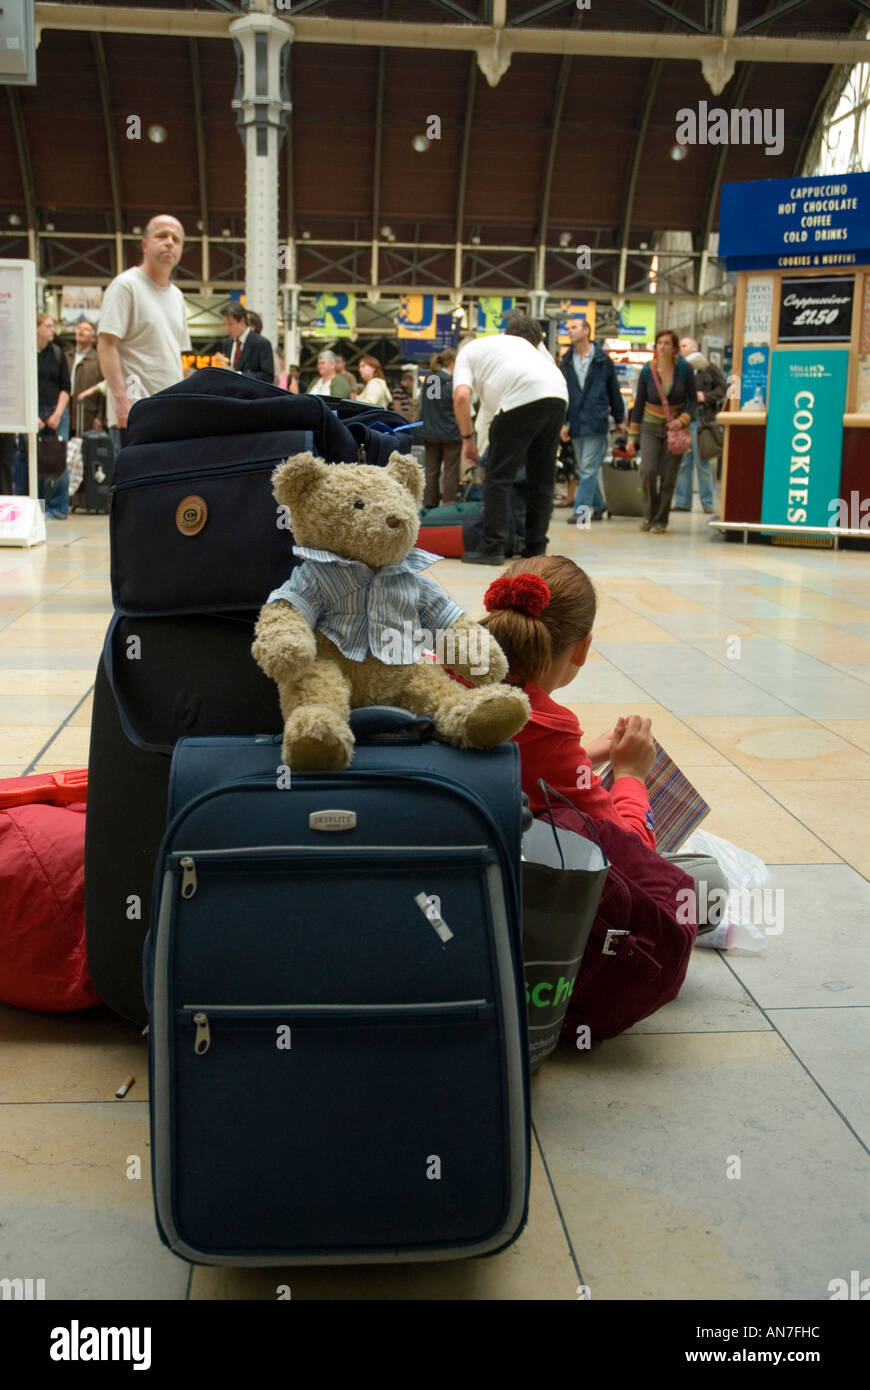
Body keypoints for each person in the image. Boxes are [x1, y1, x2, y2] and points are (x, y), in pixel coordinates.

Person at [479, 555, 728, 913]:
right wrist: (630, 775)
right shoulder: (548, 730)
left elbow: (525, 764)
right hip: (512, 901)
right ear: (582, 647)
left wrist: (585, 756)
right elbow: (632, 854)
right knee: (707, 885)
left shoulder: (446, 680)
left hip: (447, 877)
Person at [453, 314, 567, 565]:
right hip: (558, 395)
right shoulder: (538, 350)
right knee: (542, 481)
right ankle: (535, 547)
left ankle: (492, 547)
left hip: (518, 398)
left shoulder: (469, 350)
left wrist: (467, 439)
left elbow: (462, 396)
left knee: (498, 477)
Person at [97, 214, 191, 447]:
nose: (170, 242)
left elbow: (179, 357)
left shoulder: (177, 296)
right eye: (162, 236)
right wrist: (121, 401)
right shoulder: (126, 286)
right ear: (145, 245)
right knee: (133, 483)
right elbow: (106, 344)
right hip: (135, 414)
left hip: (170, 415)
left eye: (176, 239)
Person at [627, 329, 697, 534]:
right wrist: (632, 436)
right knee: (647, 470)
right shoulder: (648, 371)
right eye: (659, 343)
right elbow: (639, 403)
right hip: (650, 425)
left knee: (668, 475)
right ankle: (648, 514)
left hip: (674, 428)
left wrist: (682, 420)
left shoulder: (685, 369)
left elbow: (692, 401)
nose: (662, 347)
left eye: (667, 343)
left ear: (675, 348)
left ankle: (660, 519)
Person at [559, 316, 624, 522]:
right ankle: (598, 504)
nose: (570, 331)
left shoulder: (602, 361)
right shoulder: (567, 362)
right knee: (586, 468)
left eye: (574, 327)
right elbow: (564, 393)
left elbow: (614, 390)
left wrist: (619, 418)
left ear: (587, 331)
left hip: (596, 420)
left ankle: (581, 512)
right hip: (576, 422)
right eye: (569, 328)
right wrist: (563, 421)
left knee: (587, 469)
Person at [673, 337, 726, 515]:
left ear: (695, 348)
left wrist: (706, 396)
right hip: (684, 421)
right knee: (683, 464)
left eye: (684, 345)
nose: (681, 348)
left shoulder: (708, 368)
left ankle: (707, 502)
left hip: (701, 422)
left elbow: (723, 387)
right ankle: (683, 501)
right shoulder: (679, 369)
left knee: (702, 462)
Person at [36, 312, 72, 519]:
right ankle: (37, 507)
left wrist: (58, 413)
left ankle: (59, 507)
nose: (52, 330)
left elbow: (66, 387)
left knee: (58, 461)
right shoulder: (29, 355)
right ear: (37, 328)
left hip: (57, 411)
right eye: (48, 326)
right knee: (35, 460)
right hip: (36, 414)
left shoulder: (58, 354)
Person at [420, 348, 462, 508]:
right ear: (452, 363)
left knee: (431, 472)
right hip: (450, 434)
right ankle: (448, 507)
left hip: (431, 433)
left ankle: (429, 507)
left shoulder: (432, 380)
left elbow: (431, 406)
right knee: (450, 473)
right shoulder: (452, 382)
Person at [213, 303, 275, 384]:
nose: (227, 328)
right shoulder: (227, 344)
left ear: (242, 321)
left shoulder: (261, 343)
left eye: (231, 324)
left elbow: (267, 377)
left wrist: (239, 375)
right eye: (225, 324)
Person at [65, 318, 104, 435]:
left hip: (87, 413)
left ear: (93, 338)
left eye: (86, 330)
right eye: (79, 328)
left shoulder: (98, 360)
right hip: (66, 412)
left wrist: (99, 416)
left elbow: (103, 389)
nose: (81, 331)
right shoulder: (66, 356)